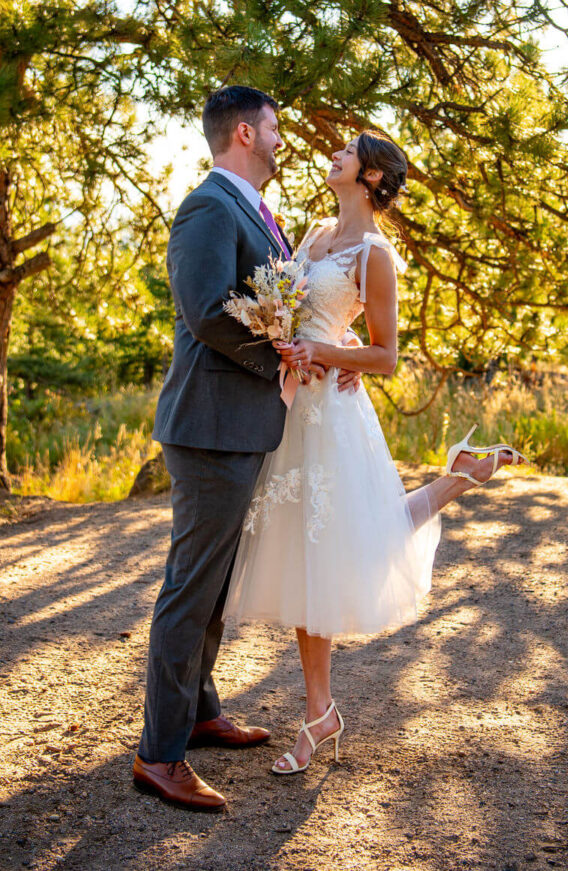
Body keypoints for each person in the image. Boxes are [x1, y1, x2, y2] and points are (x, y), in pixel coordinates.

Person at [223, 130, 525, 774]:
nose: (334, 154)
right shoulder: (309, 234)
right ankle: (322, 710)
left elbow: (386, 356)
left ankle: (316, 715)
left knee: (332, 552)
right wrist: (295, 336)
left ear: (369, 178)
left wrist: (328, 352)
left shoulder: (376, 255)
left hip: (330, 409)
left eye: (348, 152)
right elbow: (311, 312)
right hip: (293, 406)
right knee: (318, 555)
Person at [133, 85, 361, 812]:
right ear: (243, 133)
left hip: (244, 425)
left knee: (213, 592)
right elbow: (204, 313)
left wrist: (329, 350)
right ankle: (159, 754)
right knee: (189, 588)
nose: (281, 138)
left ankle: (198, 713)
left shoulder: (259, 212)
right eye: (273, 127)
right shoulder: (208, 206)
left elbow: (280, 305)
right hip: (209, 426)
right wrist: (279, 361)